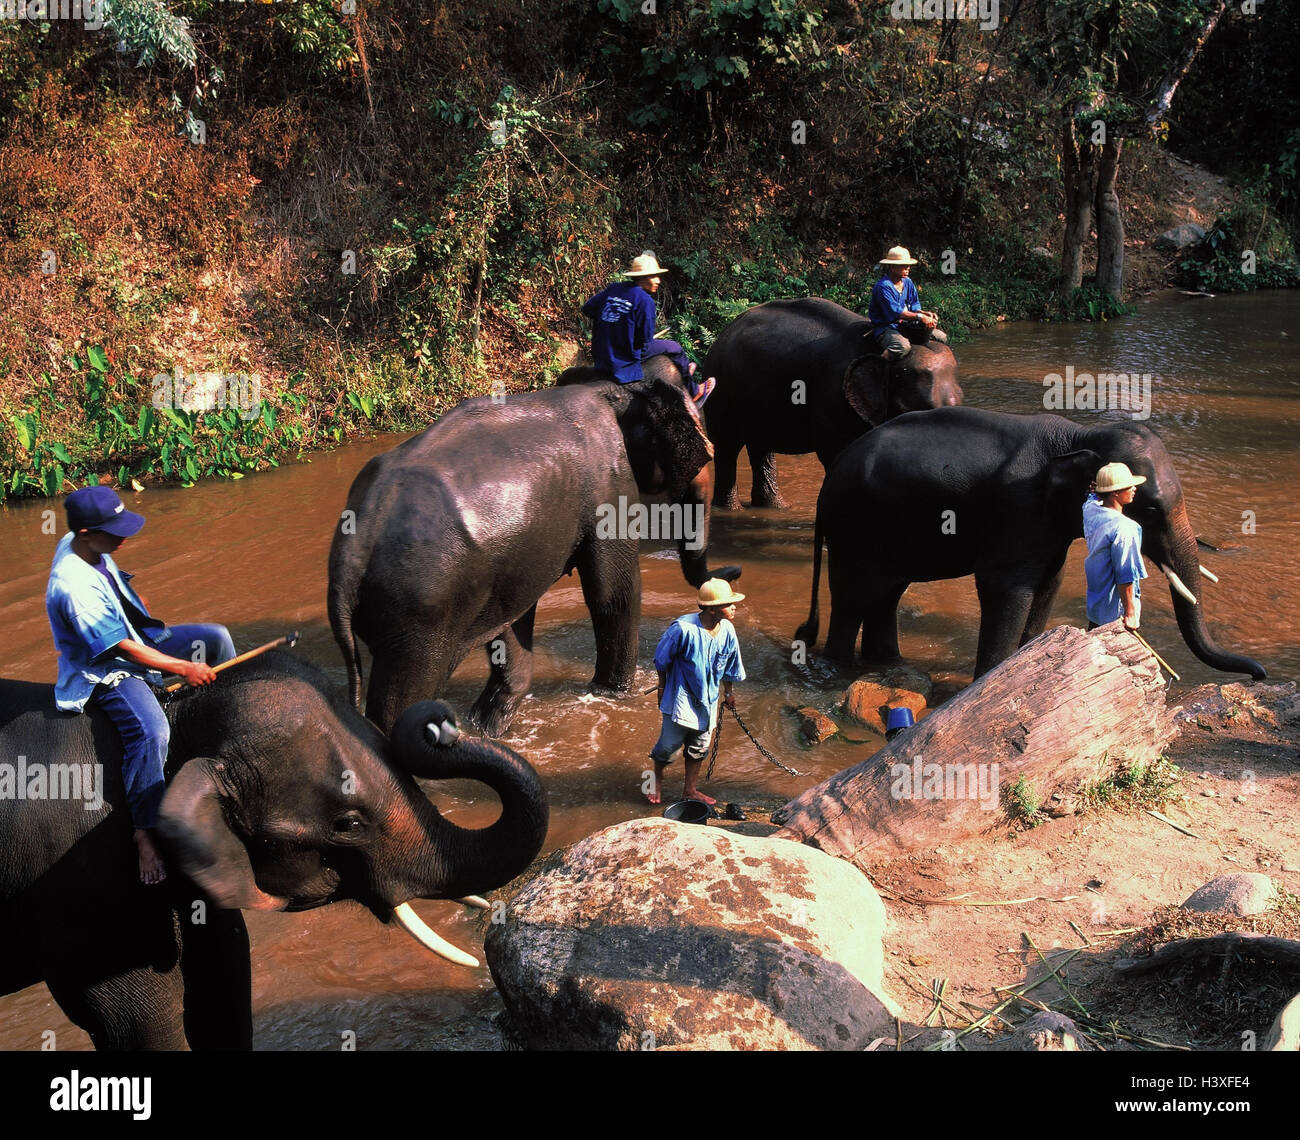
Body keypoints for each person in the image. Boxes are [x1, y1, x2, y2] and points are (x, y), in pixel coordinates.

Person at [45, 486, 237, 884]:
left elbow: (118, 599)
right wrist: (183, 668)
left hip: (133, 634)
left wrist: (128, 599)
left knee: (216, 638)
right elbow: (123, 650)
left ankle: (227, 727)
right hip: (104, 668)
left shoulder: (78, 541)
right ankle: (144, 832)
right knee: (153, 732)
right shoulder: (72, 586)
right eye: (114, 530)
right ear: (85, 534)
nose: (124, 537)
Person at [646, 578, 746, 806]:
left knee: (699, 747)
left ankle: (690, 790)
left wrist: (729, 692)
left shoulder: (728, 630)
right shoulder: (682, 629)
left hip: (708, 700)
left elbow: (730, 665)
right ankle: (655, 781)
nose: (734, 607)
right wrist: (662, 688)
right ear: (711, 609)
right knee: (667, 747)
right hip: (679, 698)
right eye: (728, 603)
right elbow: (661, 661)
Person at [581, 252, 715, 402]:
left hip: (602, 353)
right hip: (625, 356)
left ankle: (682, 372)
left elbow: (587, 308)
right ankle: (694, 390)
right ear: (642, 278)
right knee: (675, 348)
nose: (658, 281)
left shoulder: (614, 289)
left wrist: (611, 324)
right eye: (653, 276)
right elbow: (644, 340)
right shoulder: (645, 301)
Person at [1083, 462, 1148, 632]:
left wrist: (1094, 492)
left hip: (1096, 608)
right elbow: (1125, 574)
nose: (1134, 488)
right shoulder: (1125, 528)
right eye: (1128, 486)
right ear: (1115, 492)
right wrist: (1130, 613)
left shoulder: (1090, 510)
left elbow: (1091, 499)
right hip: (1115, 615)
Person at [867, 246, 949, 361]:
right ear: (892, 267)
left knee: (941, 337)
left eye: (908, 265)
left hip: (906, 325)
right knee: (901, 347)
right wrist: (920, 317)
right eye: (904, 265)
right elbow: (897, 313)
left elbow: (914, 306)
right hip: (887, 327)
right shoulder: (883, 287)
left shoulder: (908, 282)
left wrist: (925, 314)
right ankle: (878, 367)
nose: (908, 268)